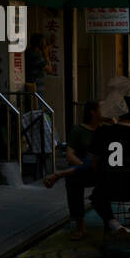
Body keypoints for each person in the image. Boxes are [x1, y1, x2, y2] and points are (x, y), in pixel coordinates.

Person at [88, 93, 130, 238]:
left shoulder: (102, 132)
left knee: (96, 195)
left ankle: (113, 223)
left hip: (108, 188)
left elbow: (93, 163)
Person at [42, 101, 103, 239]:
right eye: (102, 108)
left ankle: (110, 222)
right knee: (73, 180)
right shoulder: (78, 130)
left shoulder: (105, 130)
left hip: (102, 170)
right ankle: (80, 225)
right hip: (82, 169)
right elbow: (70, 154)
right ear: (93, 112)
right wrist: (83, 166)